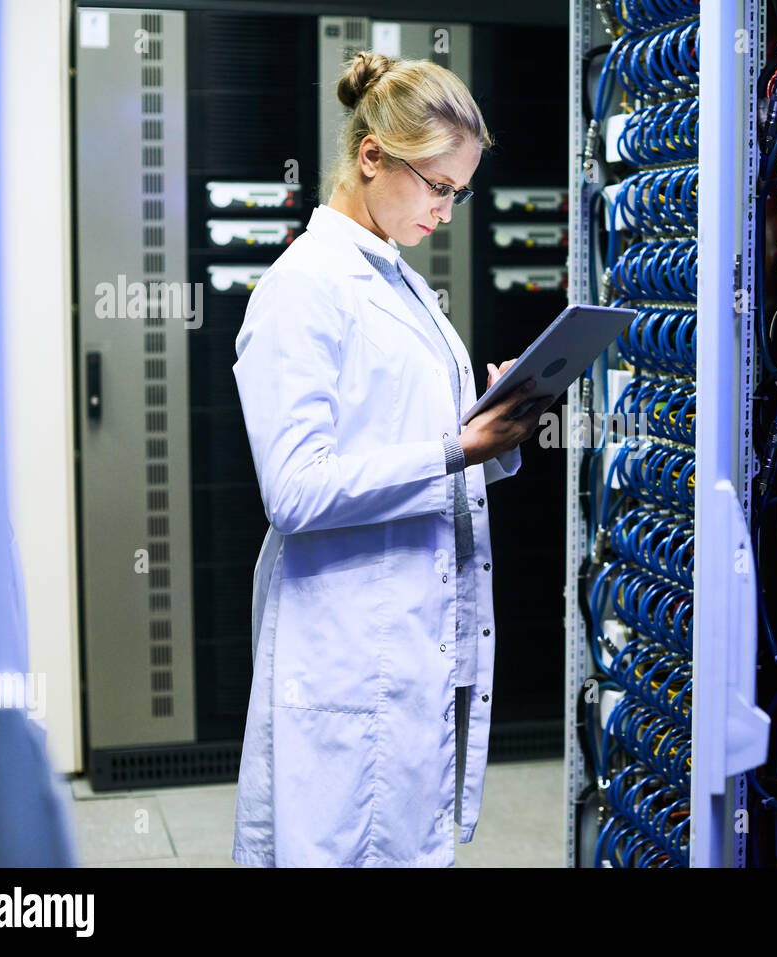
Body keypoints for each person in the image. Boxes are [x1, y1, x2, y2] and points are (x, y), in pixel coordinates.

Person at [229, 51, 551, 867]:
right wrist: (457, 444)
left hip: (407, 641)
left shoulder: (399, 284)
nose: (448, 211)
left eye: (460, 192)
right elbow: (295, 490)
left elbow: (420, 444)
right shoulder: (305, 287)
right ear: (372, 156)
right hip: (344, 652)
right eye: (437, 187)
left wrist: (493, 425)